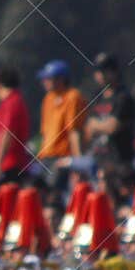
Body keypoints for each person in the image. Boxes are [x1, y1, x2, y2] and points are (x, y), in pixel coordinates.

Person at [36, 60, 86, 193]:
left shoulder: (73, 97)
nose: (44, 82)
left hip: (62, 157)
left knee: (55, 197)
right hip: (46, 157)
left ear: (61, 79)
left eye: (48, 78)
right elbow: (44, 132)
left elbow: (74, 131)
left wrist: (77, 163)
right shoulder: (48, 98)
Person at [83, 52, 135, 169]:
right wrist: (98, 125)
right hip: (98, 159)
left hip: (120, 161)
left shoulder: (123, 98)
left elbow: (113, 127)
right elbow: (88, 128)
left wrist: (95, 125)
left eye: (105, 70)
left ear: (115, 71)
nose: (101, 74)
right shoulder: (97, 98)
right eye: (98, 71)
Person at [0, 67, 33, 185]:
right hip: (8, 164)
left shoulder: (12, 102)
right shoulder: (13, 101)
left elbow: (7, 134)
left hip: (11, 165)